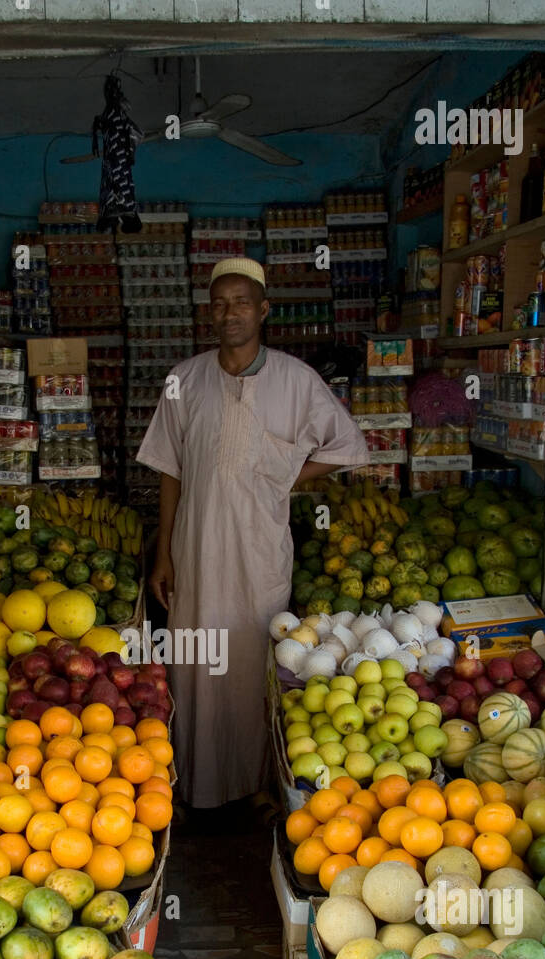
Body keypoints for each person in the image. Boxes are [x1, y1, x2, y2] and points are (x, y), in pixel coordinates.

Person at [137, 256, 369, 810]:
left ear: (263, 310)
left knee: (256, 656)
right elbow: (168, 467)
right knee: (197, 662)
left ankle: (260, 784)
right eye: (219, 303)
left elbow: (347, 446)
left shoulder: (296, 379)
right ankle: (194, 786)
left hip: (261, 546)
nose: (229, 313)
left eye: (242, 302)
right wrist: (165, 552)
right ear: (208, 314)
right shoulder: (184, 380)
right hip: (195, 547)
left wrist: (283, 474)